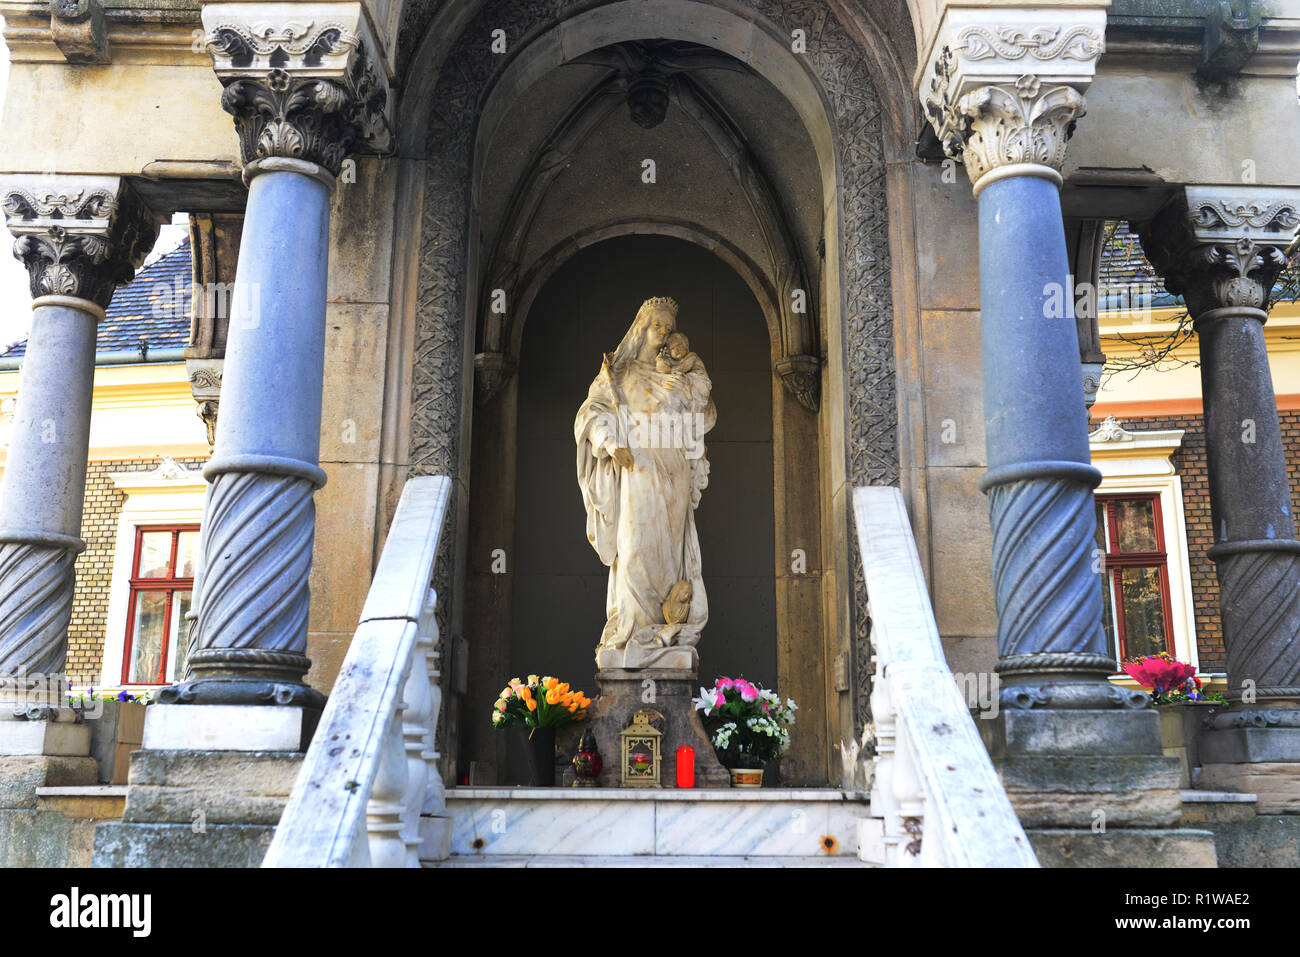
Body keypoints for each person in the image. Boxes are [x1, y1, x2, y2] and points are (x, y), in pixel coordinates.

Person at [574, 297, 716, 669]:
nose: (664, 333)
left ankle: (665, 630)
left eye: (669, 329)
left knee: (669, 557)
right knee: (635, 547)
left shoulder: (679, 373)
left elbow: (702, 414)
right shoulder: (617, 374)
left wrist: (685, 385)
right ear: (642, 327)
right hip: (637, 469)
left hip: (673, 470)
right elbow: (591, 413)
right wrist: (610, 442)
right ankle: (633, 633)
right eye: (658, 325)